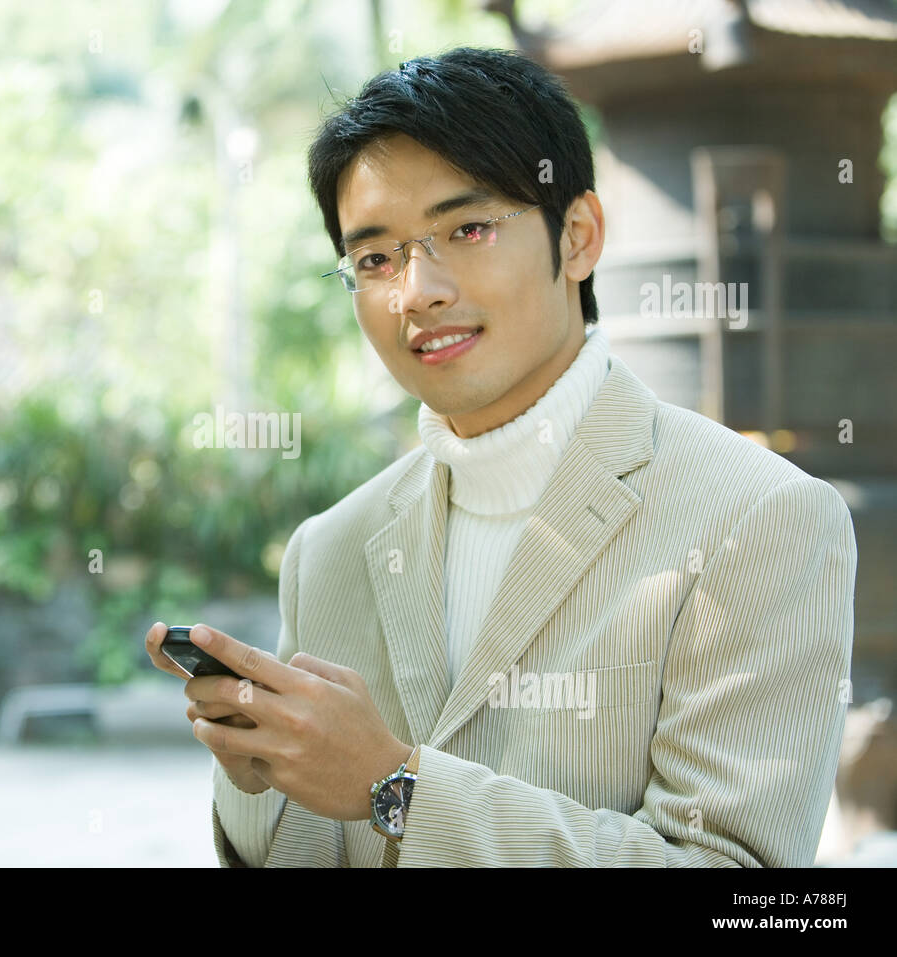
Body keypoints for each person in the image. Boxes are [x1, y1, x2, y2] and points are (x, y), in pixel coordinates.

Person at [144, 47, 856, 867]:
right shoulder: (328, 551)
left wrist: (396, 787)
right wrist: (259, 775)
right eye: (375, 258)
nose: (417, 290)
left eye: (468, 229)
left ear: (578, 237)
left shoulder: (758, 519)